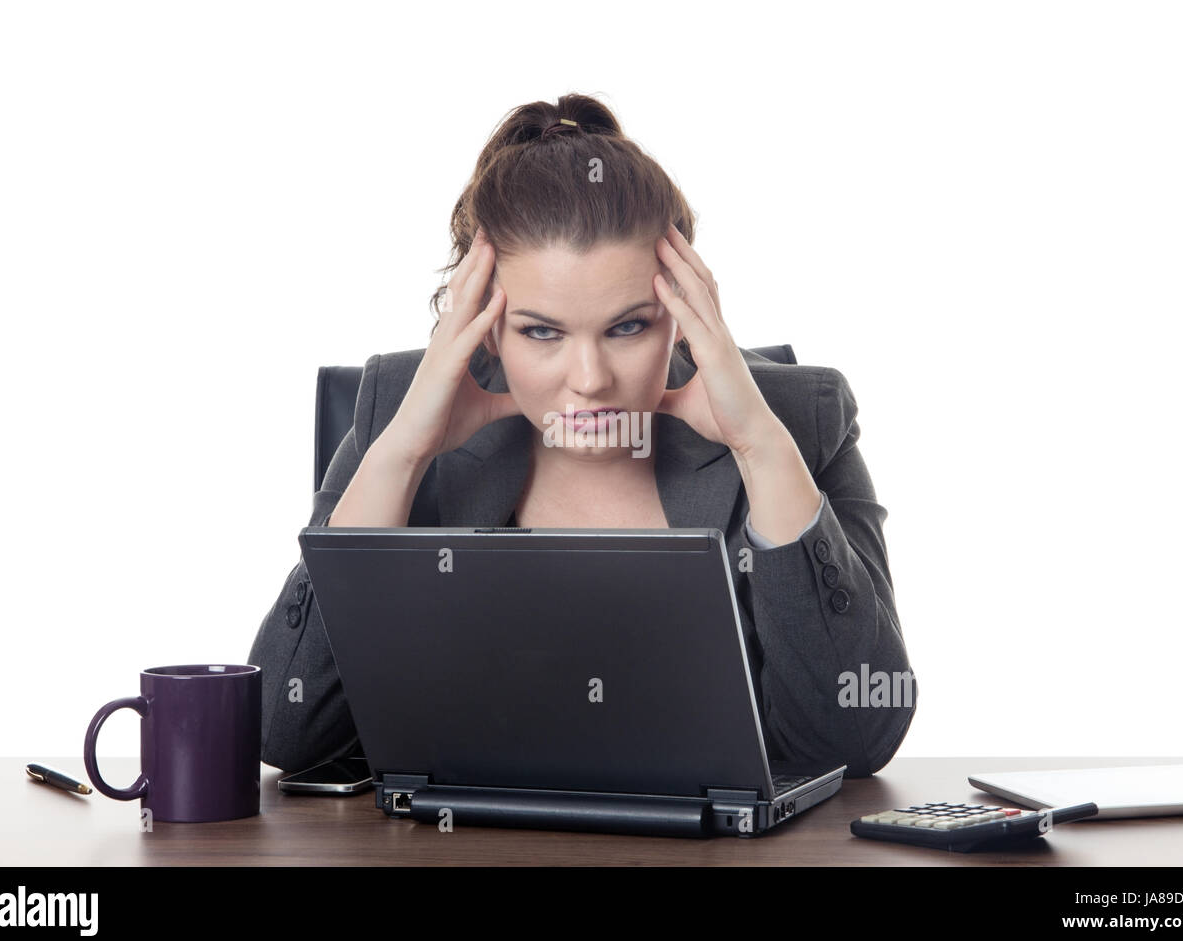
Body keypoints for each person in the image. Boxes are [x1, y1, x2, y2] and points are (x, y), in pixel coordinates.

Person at [248, 93, 916, 778]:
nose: (590, 379)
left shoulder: (800, 420)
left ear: (682, 312)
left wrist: (761, 448)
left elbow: (854, 741)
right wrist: (400, 454)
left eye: (629, 326)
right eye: (542, 332)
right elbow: (282, 729)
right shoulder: (402, 409)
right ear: (485, 322)